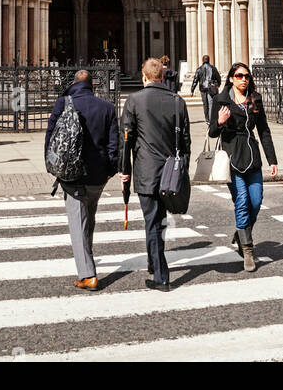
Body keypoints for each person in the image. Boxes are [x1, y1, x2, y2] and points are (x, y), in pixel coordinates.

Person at [118, 57, 191, 292]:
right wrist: (182, 169)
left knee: (153, 223)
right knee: (158, 222)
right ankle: (153, 260)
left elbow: (125, 140)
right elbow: (186, 141)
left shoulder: (134, 100)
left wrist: (124, 171)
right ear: (162, 76)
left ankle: (161, 276)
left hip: (146, 172)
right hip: (171, 172)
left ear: (144, 77)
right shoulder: (177, 101)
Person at [45, 69, 119, 292]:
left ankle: (88, 275)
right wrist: (111, 170)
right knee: (89, 218)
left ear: (74, 83)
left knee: (78, 223)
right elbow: (114, 145)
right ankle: (87, 255)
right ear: (93, 85)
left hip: (71, 174)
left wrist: (52, 166)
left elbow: (51, 137)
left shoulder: (63, 103)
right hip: (98, 176)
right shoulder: (107, 108)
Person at [208, 62, 278, 272]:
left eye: (246, 76)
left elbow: (264, 130)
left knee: (255, 201)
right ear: (231, 78)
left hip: (252, 155)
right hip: (231, 156)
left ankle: (241, 232)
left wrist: (272, 159)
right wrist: (220, 122)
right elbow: (212, 132)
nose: (243, 79)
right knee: (242, 200)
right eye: (238, 76)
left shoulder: (255, 98)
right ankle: (247, 249)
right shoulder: (221, 100)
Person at [190, 54, 221, 125]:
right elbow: (218, 77)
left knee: (205, 104)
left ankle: (207, 119)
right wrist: (218, 85)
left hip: (203, 88)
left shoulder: (199, 69)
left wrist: (192, 90)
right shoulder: (213, 68)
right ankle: (211, 118)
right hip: (211, 88)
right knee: (211, 103)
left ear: (202, 60)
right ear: (209, 60)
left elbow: (195, 80)